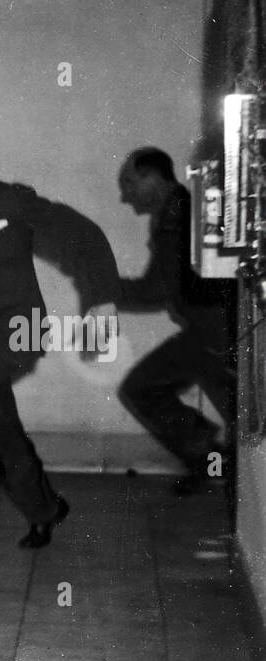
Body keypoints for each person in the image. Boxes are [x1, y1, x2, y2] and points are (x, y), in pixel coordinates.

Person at [0, 110, 121, 546]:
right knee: (2, 426)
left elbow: (83, 234)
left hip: (19, 327)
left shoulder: (10, 201)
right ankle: (46, 510)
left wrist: (103, 298)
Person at [116, 147, 236, 494]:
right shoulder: (182, 209)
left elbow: (154, 291)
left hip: (213, 332)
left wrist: (104, 288)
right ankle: (216, 464)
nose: (125, 194)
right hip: (214, 328)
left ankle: (215, 463)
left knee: (141, 388)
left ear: (152, 178)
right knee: (238, 412)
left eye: (129, 182)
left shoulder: (175, 217)